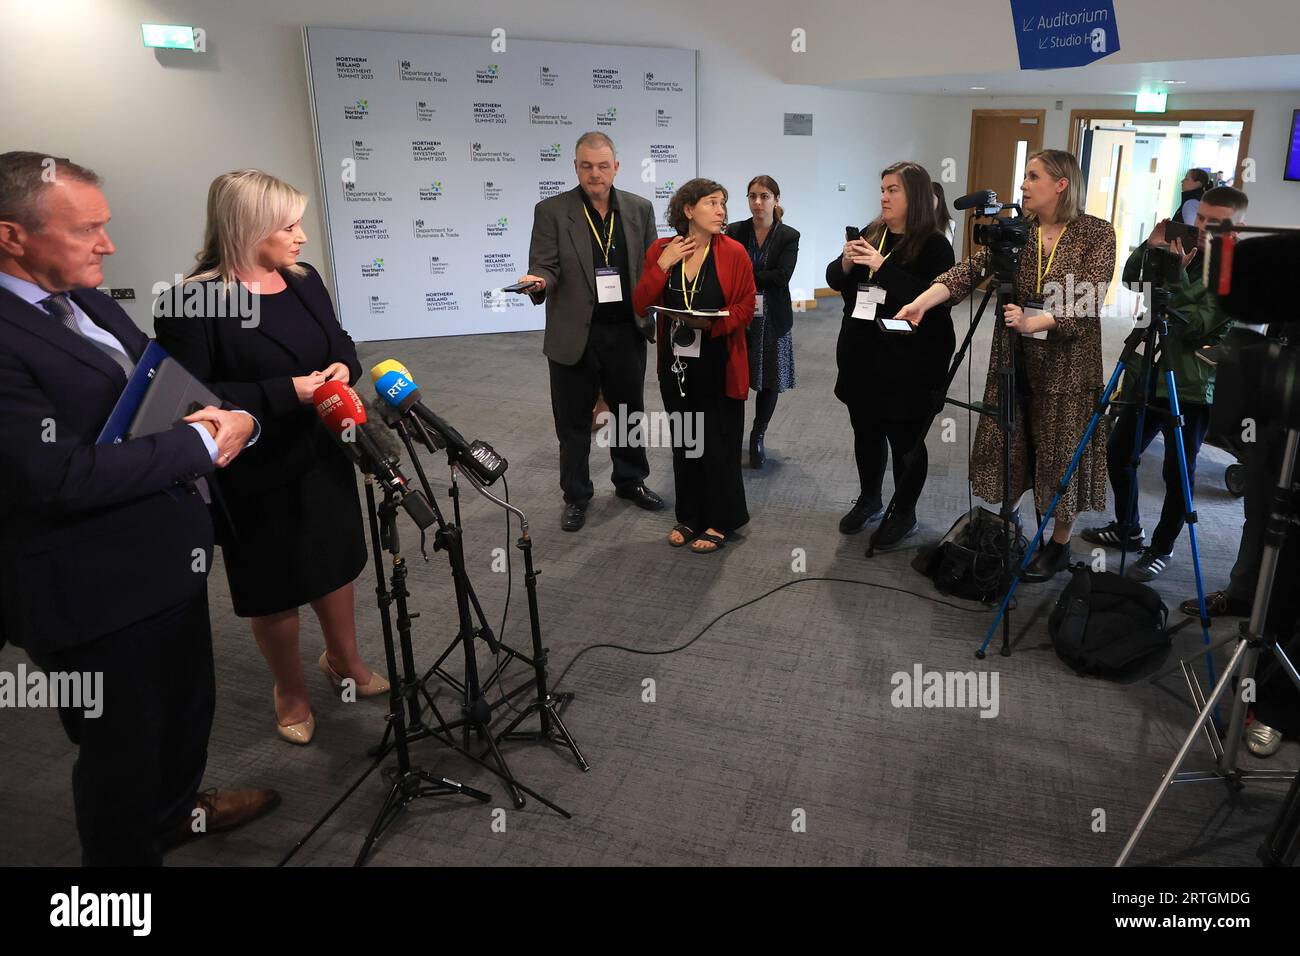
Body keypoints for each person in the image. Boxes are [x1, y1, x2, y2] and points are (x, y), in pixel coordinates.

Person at [0, 151, 278, 865]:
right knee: (121, 753)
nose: (108, 245)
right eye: (87, 229)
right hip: (88, 592)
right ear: (12, 237)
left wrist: (223, 412)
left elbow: (152, 374)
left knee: (185, 715)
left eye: (106, 225)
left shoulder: (79, 292)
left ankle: (177, 814)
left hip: (164, 559)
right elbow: (53, 477)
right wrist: (200, 443)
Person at [156, 169, 387, 746]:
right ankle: (290, 688)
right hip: (254, 467)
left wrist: (341, 371)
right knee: (274, 583)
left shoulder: (304, 281)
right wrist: (292, 391)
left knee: (335, 560)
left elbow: (340, 341)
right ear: (248, 228)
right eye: (288, 225)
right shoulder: (189, 303)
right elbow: (190, 403)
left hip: (320, 448)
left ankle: (344, 659)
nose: (301, 235)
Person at [897, 149, 1117, 581]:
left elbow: (1090, 296)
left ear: (1061, 184)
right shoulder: (1018, 232)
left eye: (1033, 177)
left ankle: (1058, 543)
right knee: (1010, 445)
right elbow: (965, 273)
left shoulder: (1096, 233)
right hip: (1013, 360)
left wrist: (1039, 319)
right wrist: (920, 302)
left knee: (1060, 456)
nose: (1023, 186)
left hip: (1067, 368)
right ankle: (1008, 522)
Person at [1082, 186, 1249, 581]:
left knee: (1178, 471)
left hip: (1190, 385)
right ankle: (1129, 528)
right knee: (1119, 452)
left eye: (1217, 222)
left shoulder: (1233, 272)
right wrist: (1149, 247)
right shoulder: (1184, 254)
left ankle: (1162, 547)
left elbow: (1197, 326)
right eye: (1202, 218)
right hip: (1150, 370)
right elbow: (1132, 281)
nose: (1205, 227)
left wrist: (1175, 273)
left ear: (1237, 229)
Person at [517, 132, 665, 532]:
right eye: (586, 166)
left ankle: (630, 480)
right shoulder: (551, 211)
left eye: (603, 166)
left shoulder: (639, 209)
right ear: (575, 166)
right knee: (573, 422)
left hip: (625, 332)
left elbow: (653, 268)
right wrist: (539, 281)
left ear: (616, 167)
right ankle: (576, 496)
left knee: (629, 412)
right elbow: (545, 264)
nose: (594, 174)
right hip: (574, 334)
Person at [827, 162, 955, 549]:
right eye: (882, 188)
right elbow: (836, 280)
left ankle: (905, 511)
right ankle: (870, 498)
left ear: (913, 196)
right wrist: (848, 261)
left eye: (893, 190)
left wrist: (882, 267)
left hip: (911, 361)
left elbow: (933, 301)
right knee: (865, 431)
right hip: (863, 353)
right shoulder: (872, 232)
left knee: (905, 440)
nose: (884, 196)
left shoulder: (935, 244)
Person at [633, 178, 755, 554]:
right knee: (686, 442)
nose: (721, 211)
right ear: (689, 210)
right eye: (712, 203)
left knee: (718, 442)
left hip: (719, 361)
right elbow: (640, 303)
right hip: (677, 366)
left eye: (723, 204)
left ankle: (720, 520)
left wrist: (714, 324)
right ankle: (689, 516)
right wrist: (663, 265)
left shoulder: (733, 251)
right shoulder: (661, 249)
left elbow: (746, 307)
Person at [726, 175, 799, 468]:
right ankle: (733, 434)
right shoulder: (734, 231)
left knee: (769, 380)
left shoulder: (788, 235)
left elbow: (782, 277)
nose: (758, 202)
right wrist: (754, 278)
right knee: (735, 376)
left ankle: (758, 433)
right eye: (753, 196)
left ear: (776, 200)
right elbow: (726, 271)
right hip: (738, 313)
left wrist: (745, 276)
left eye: (765, 196)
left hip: (773, 318)